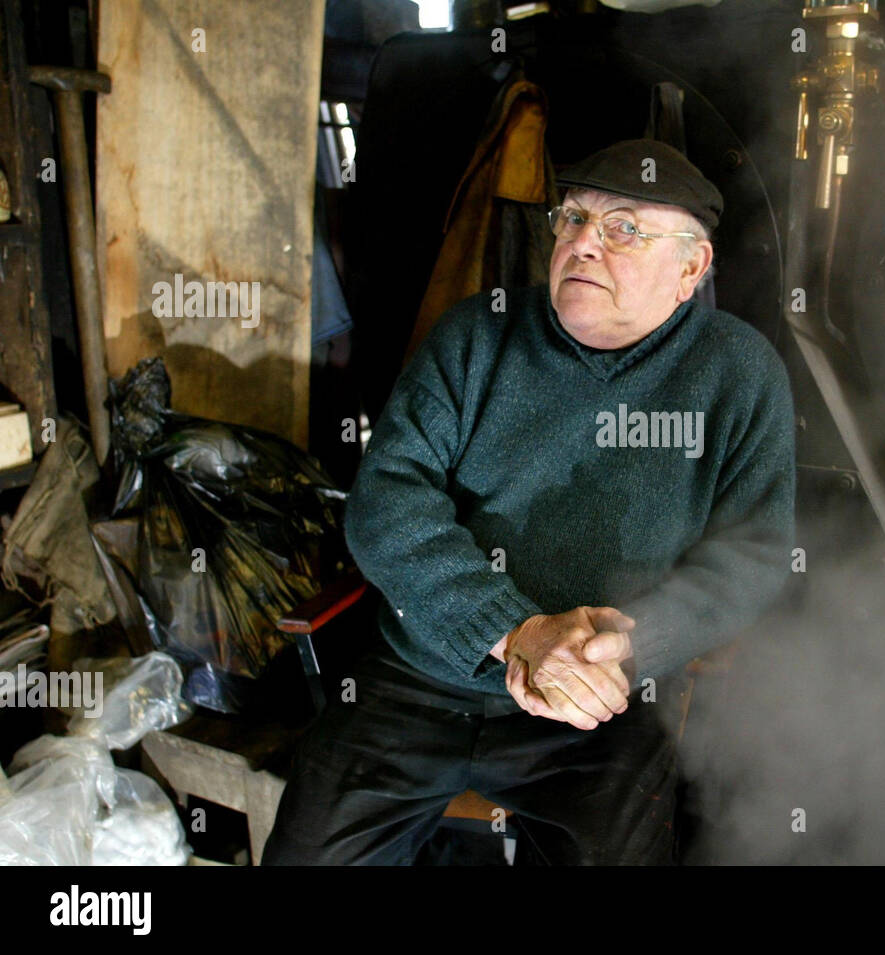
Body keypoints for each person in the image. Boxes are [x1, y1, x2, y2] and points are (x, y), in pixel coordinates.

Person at [263, 139, 796, 865]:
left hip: (599, 702)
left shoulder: (738, 373)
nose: (583, 243)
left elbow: (755, 553)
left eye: (624, 229)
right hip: (421, 680)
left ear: (690, 268)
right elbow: (385, 502)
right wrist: (514, 631)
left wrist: (635, 643)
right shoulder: (475, 334)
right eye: (573, 218)